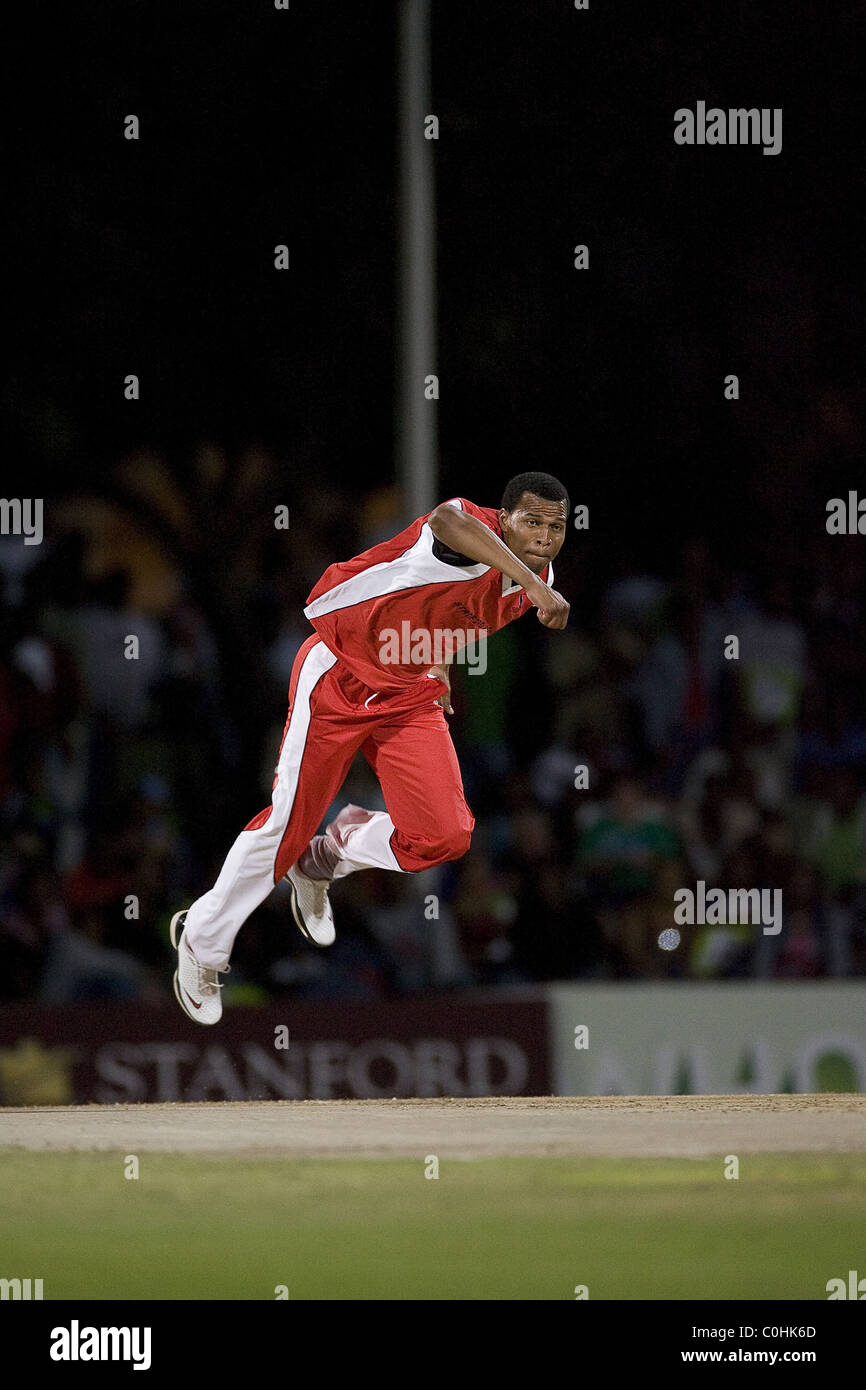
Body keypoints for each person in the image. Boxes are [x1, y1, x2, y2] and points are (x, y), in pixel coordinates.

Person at [170, 472, 571, 1022]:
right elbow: (448, 526)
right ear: (503, 519)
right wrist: (532, 582)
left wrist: (439, 659)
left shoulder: (536, 579)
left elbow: (447, 610)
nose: (546, 535)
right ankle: (201, 942)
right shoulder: (469, 524)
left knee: (445, 835)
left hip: (409, 693)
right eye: (533, 522)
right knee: (286, 824)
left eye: (557, 525)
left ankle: (329, 855)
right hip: (340, 672)